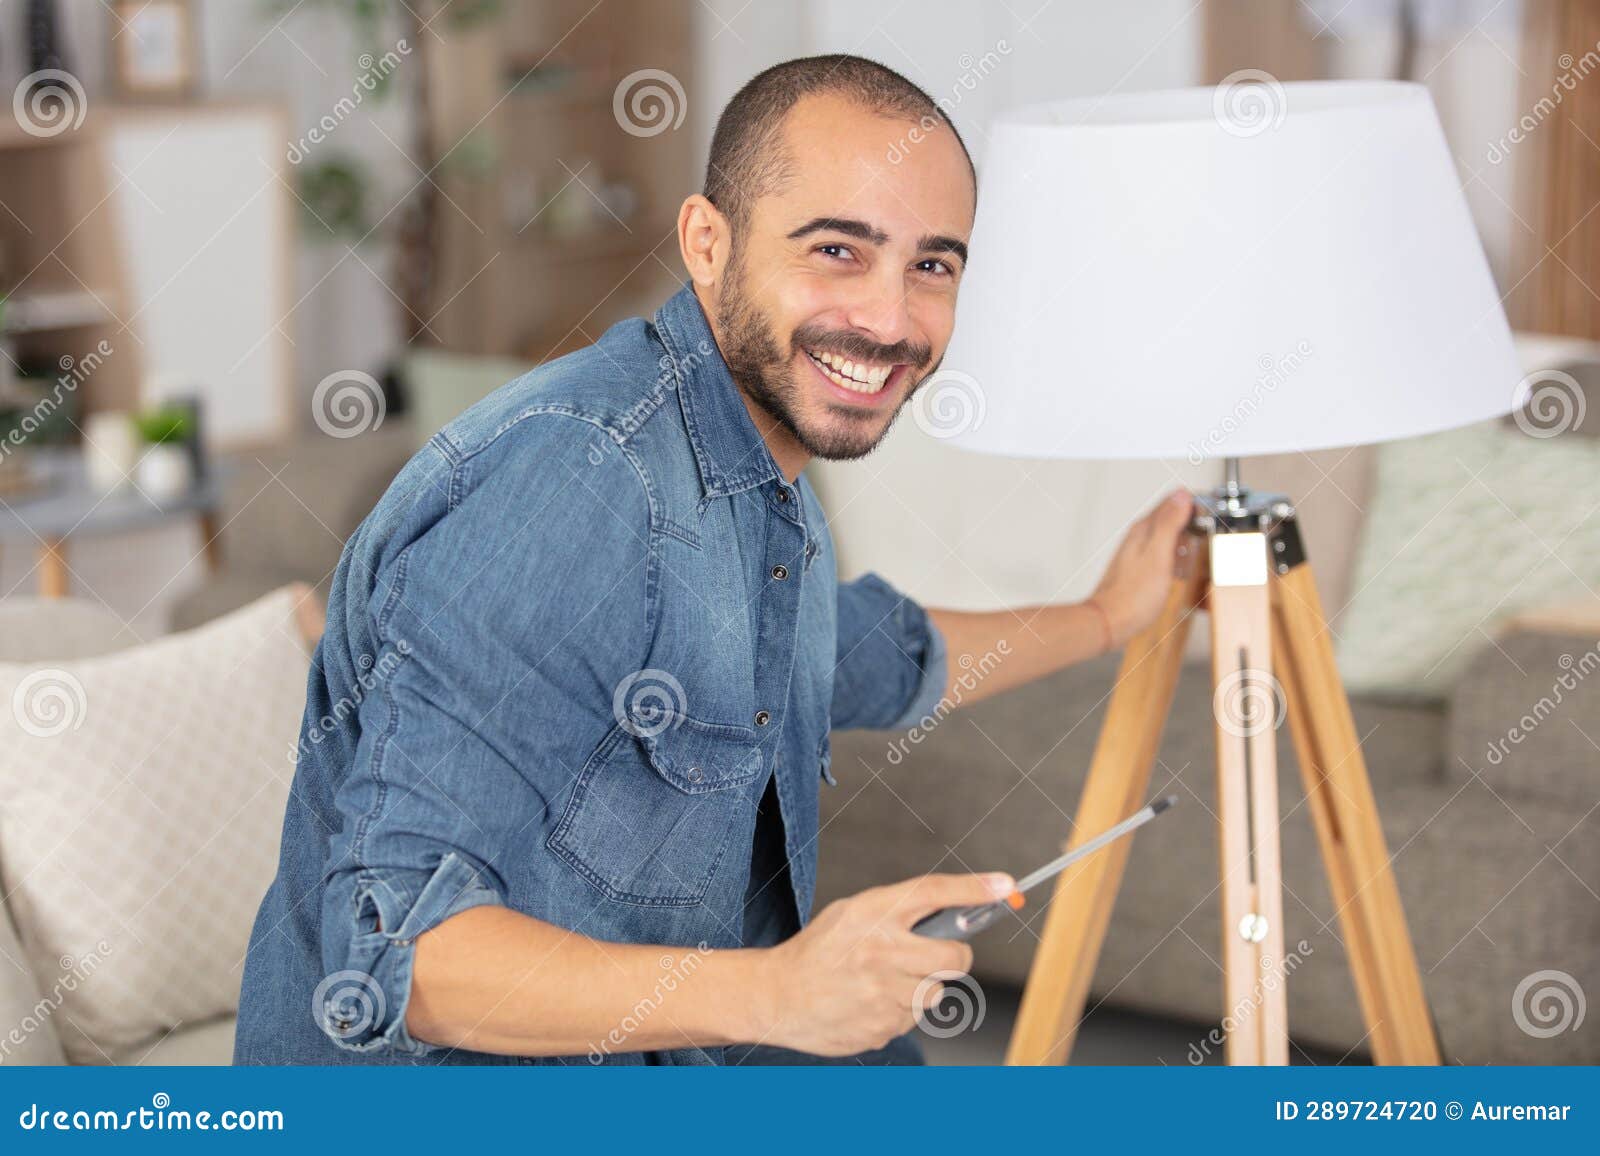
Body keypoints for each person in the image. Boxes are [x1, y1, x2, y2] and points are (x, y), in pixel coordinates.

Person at [235, 53, 1192, 1066]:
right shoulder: (575, 480)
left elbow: (861, 651)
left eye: (931, 265)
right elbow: (398, 957)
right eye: (836, 250)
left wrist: (1103, 615)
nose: (890, 320)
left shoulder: (761, 475)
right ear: (706, 242)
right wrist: (779, 990)